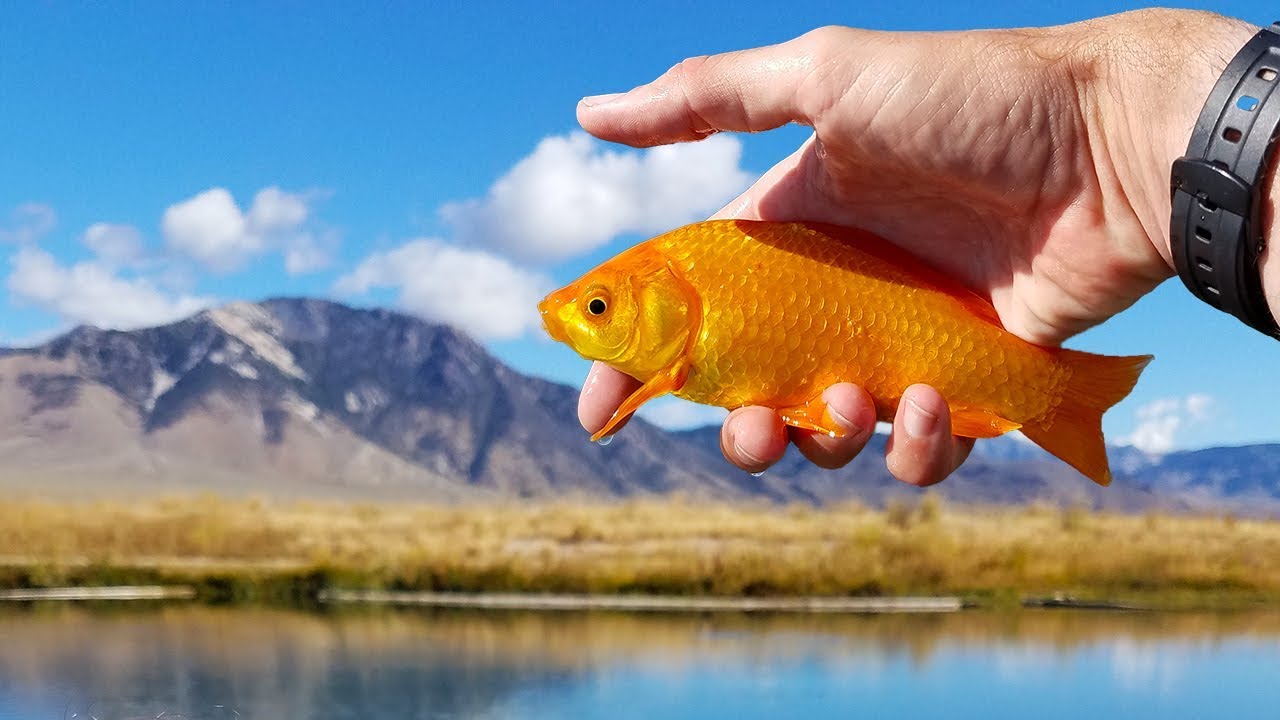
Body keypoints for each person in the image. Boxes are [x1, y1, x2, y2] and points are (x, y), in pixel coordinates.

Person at [572, 8, 1279, 486]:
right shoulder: (703, 262)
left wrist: (1105, 124)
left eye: (599, 306)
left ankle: (1051, 391)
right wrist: (1124, 138)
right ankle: (1041, 390)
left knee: (827, 419)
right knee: (823, 417)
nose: (579, 318)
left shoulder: (706, 263)